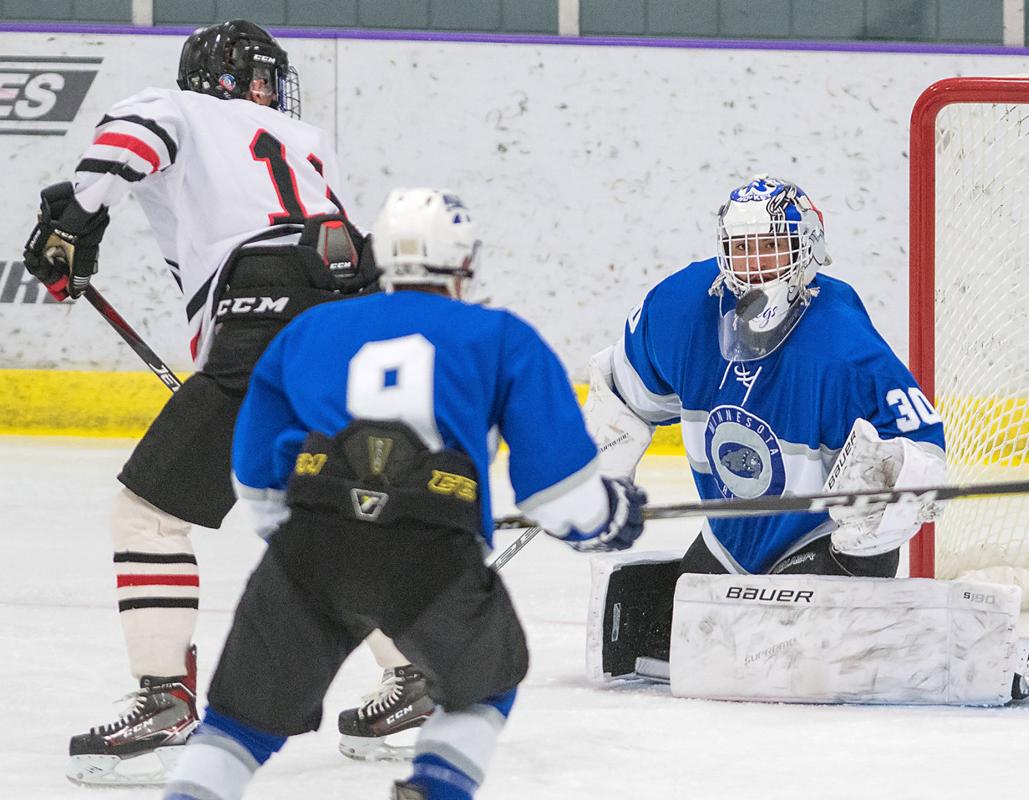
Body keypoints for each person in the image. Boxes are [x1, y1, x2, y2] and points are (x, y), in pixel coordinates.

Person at [158, 187, 647, 800]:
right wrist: (606, 517)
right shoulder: (500, 337)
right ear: (465, 260)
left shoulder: (309, 329)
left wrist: (316, 539)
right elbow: (557, 493)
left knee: (239, 723)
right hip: (431, 553)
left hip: (311, 547)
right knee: (483, 687)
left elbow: (256, 476)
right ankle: (433, 790)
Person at [21, 20, 392, 785]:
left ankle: (165, 702)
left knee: (146, 513)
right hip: (354, 315)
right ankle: (422, 676)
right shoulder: (304, 136)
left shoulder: (182, 107)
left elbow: (126, 143)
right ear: (253, 79)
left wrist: (73, 222)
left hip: (267, 311)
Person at [583, 175, 1029, 705]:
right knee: (661, 642)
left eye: (771, 247)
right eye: (741, 249)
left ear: (806, 250)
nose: (755, 265)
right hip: (730, 543)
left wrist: (887, 494)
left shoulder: (843, 346)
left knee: (787, 666)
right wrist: (597, 483)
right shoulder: (679, 311)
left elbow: (924, 454)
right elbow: (618, 393)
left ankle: (905, 641)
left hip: (823, 548)